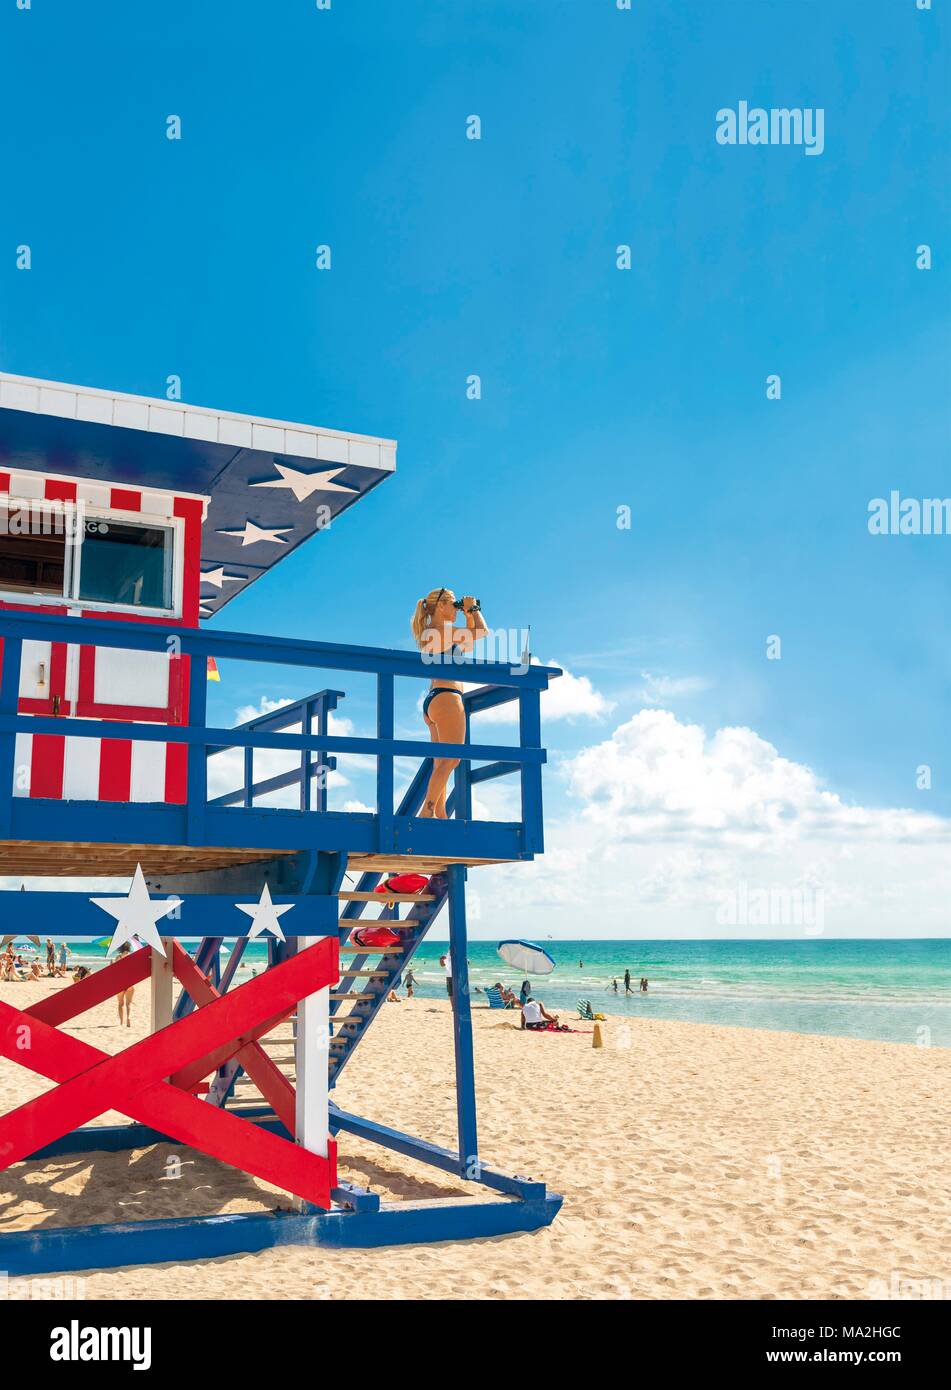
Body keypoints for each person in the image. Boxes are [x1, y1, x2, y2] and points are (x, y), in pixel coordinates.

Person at [410, 588, 488, 817]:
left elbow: (471, 637)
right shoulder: (441, 631)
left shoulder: (433, 632)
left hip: (434, 700)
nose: (456, 609)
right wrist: (472, 609)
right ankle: (427, 811)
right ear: (441, 606)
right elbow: (481, 632)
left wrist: (468, 613)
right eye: (452, 604)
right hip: (447, 698)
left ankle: (440, 812)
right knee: (452, 758)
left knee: (441, 763)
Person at [115, 942, 136, 1027]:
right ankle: (128, 1018)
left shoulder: (118, 957)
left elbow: (115, 970)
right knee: (128, 1004)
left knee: (120, 1004)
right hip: (129, 982)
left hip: (120, 983)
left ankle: (121, 1022)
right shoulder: (131, 956)